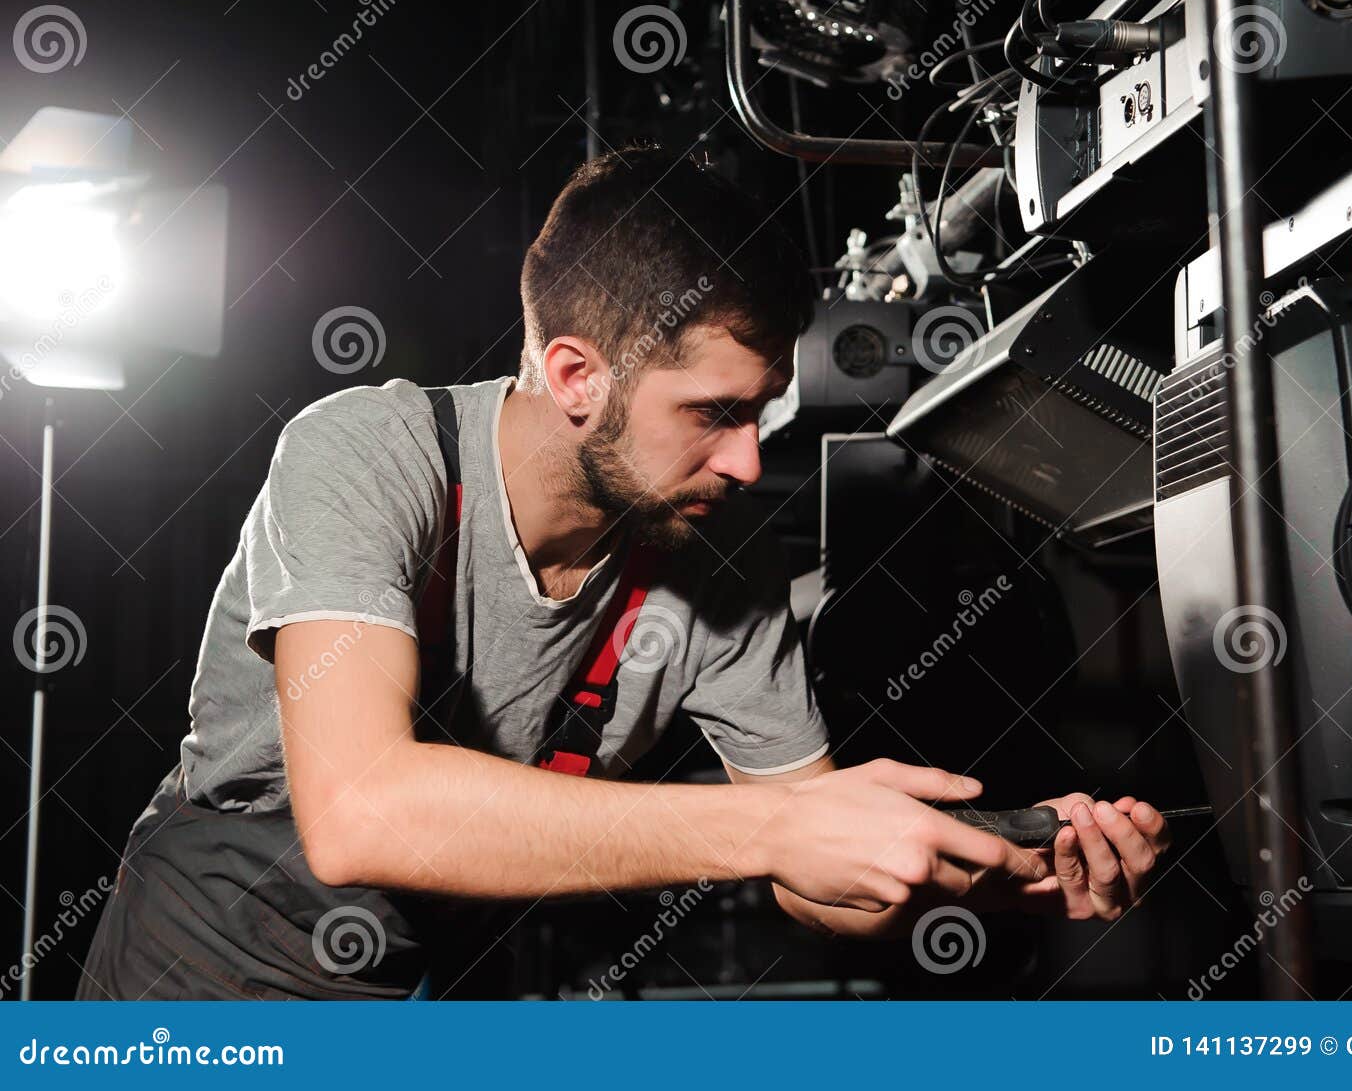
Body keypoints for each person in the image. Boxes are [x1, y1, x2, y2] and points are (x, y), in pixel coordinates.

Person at [78, 146, 1170, 1000]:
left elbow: (812, 874)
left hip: (412, 992)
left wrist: (983, 866)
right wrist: (776, 829)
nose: (747, 461)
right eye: (714, 414)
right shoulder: (367, 454)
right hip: (194, 993)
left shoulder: (720, 566)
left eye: (760, 413)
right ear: (574, 376)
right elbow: (363, 809)